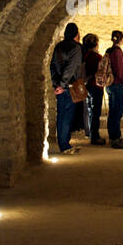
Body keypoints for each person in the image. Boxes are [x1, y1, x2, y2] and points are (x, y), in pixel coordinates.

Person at [50, 22, 84, 155]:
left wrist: (56, 84)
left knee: (62, 116)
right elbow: (71, 68)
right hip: (69, 87)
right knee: (66, 117)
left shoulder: (59, 46)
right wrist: (63, 85)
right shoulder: (75, 48)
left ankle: (64, 144)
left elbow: (52, 66)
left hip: (60, 87)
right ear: (76, 34)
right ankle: (64, 146)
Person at [102, 30, 123, 148]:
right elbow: (120, 71)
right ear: (122, 39)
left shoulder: (109, 51)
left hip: (111, 86)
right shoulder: (117, 52)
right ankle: (116, 139)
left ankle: (113, 137)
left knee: (113, 113)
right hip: (119, 86)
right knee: (117, 114)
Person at [82, 33, 106, 146]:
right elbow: (101, 73)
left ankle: (91, 134)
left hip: (87, 86)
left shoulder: (85, 56)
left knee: (90, 111)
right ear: (96, 44)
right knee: (96, 112)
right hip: (96, 86)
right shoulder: (97, 57)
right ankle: (95, 137)